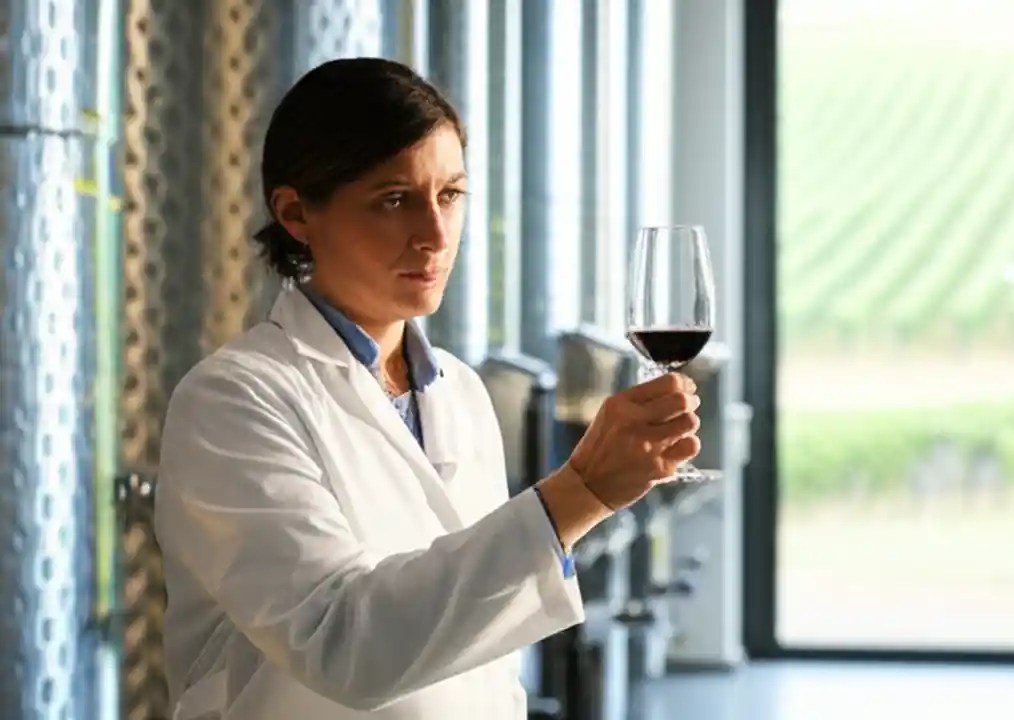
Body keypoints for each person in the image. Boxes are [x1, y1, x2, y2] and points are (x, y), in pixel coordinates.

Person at [154, 57, 701, 720]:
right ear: (296, 213)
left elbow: (489, 663)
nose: (435, 235)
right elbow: (343, 645)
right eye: (394, 200)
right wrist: (577, 494)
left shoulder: (461, 393)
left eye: (450, 195)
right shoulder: (232, 402)